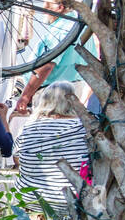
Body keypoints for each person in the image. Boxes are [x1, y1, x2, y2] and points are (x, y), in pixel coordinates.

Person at [14, 81, 89, 210]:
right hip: (71, 201)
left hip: (30, 199)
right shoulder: (84, 128)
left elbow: (17, 159)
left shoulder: (29, 126)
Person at [16, 0, 92, 116]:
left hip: (54, 94)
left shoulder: (60, 28)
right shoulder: (82, 27)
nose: (44, 12)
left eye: (46, 7)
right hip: (76, 90)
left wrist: (26, 95)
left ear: (60, 7)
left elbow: (47, 65)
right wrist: (83, 99)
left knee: (47, 130)